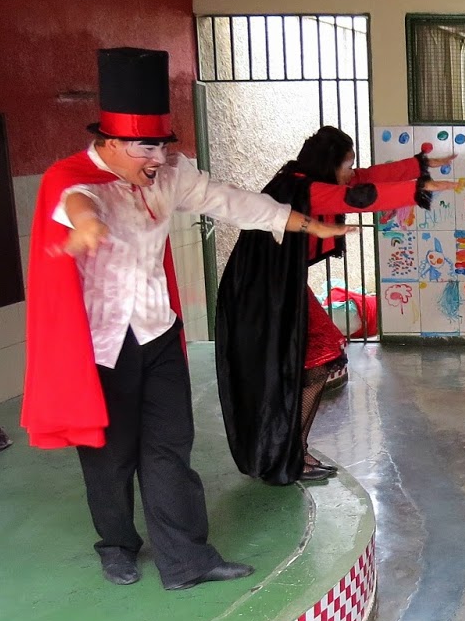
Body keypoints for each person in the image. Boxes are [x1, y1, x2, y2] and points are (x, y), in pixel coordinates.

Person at [22, 48, 352, 590]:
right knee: (110, 454)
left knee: (171, 447)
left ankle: (186, 560)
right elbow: (78, 203)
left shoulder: (168, 175)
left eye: (159, 146)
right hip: (105, 345)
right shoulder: (75, 178)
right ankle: (117, 545)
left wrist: (304, 224)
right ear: (107, 143)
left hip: (157, 333)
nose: (154, 158)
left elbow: (230, 201)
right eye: (141, 148)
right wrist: (85, 228)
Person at [215, 126, 458, 485]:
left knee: (315, 360)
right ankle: (289, 452)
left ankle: (292, 450)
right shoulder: (305, 189)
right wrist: (416, 189)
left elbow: (364, 179)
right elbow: (360, 196)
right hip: (259, 294)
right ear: (329, 164)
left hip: (279, 286)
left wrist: (418, 165)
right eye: (346, 164)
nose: (350, 171)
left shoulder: (308, 180)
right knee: (322, 356)